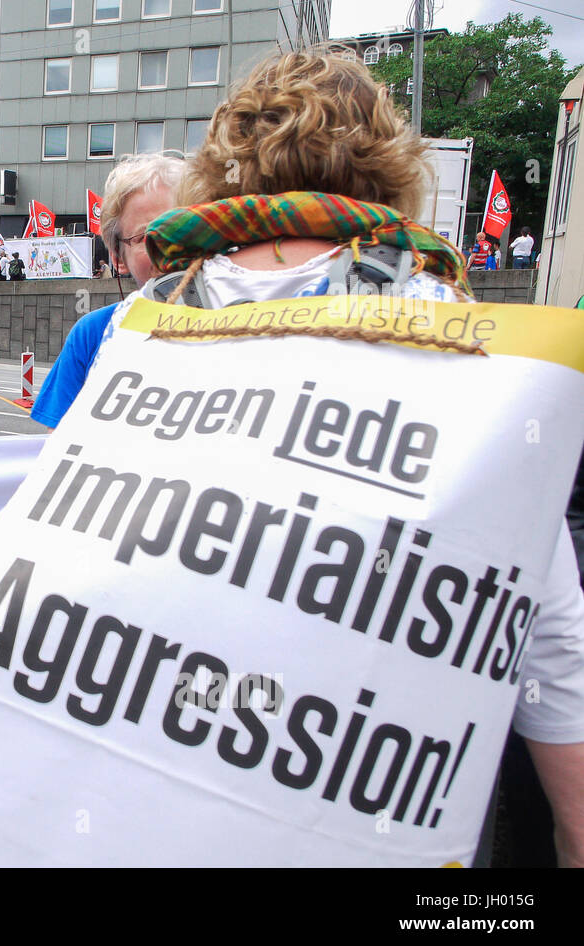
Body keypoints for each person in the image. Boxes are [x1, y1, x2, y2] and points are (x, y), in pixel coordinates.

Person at [148, 50, 584, 865]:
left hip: (170, 758)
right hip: (364, 774)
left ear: (226, 159)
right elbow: (541, 620)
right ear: (384, 164)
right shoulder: (438, 319)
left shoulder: (149, 315)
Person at [30, 152, 185, 429]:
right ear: (118, 258)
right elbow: (57, 446)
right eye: (148, 236)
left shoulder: (251, 323)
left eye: (186, 227)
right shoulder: (93, 333)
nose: (174, 247)